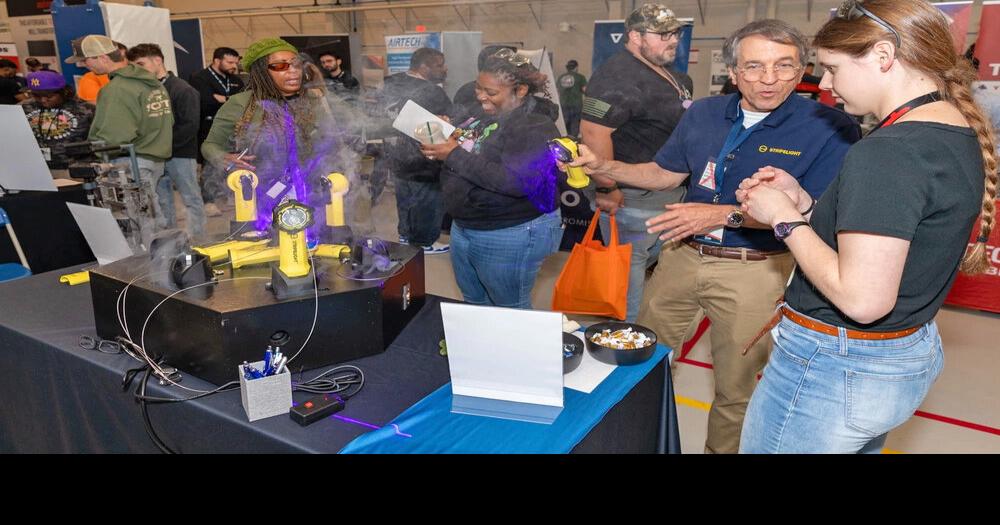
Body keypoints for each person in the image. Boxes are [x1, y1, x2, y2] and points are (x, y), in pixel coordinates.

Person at [568, 19, 860, 453]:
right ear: (734, 72)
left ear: (802, 71)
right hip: (681, 255)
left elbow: (813, 213)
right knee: (639, 364)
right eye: (754, 66)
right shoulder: (704, 112)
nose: (768, 78)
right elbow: (664, 173)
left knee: (735, 390)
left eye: (784, 66)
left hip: (756, 269)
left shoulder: (829, 127)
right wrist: (605, 167)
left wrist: (722, 215)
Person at [736, 0, 996, 454]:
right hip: (895, 356)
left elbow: (863, 300)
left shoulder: (890, 150)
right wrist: (807, 204)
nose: (826, 84)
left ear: (883, 56)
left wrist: (782, 217)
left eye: (833, 68)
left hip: (837, 367)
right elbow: (895, 231)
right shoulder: (948, 128)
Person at [420, 49, 563, 308]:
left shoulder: (534, 126)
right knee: (475, 303)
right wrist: (444, 136)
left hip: (510, 229)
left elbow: (515, 182)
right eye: (478, 88)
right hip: (467, 225)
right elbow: (472, 149)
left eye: (491, 92)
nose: (481, 96)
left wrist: (452, 154)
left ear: (520, 90)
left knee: (509, 309)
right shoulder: (483, 113)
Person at [580, 3, 693, 322]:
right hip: (631, 198)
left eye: (676, 33)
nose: (673, 40)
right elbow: (593, 134)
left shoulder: (670, 73)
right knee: (626, 286)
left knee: (655, 277)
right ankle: (623, 340)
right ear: (635, 36)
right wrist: (607, 187)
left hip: (668, 194)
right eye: (663, 34)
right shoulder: (616, 77)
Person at [201, 38, 346, 226]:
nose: (293, 71)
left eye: (296, 65)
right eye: (280, 66)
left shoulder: (314, 99)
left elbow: (340, 135)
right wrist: (222, 157)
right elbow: (210, 145)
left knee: (314, 240)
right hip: (264, 196)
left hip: (313, 194)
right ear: (261, 72)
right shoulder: (241, 104)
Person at [67, 35, 173, 236]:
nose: (84, 66)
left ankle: (154, 254)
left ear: (102, 57)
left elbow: (115, 135)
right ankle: (163, 250)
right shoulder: (152, 83)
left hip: (131, 162)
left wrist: (96, 151)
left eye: (85, 60)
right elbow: (168, 121)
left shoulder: (116, 89)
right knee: (151, 214)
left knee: (140, 221)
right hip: (155, 157)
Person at [376, 47, 452, 254]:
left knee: (405, 197)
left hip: (395, 155)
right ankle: (424, 242)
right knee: (427, 199)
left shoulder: (389, 82)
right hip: (423, 158)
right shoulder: (433, 92)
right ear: (424, 67)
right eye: (439, 65)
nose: (445, 69)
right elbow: (448, 121)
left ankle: (405, 234)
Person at [128, 43, 205, 237]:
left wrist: (163, 146)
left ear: (158, 60)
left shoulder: (182, 89)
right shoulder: (147, 90)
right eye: (134, 66)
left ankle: (199, 239)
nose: (138, 69)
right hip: (157, 156)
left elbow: (190, 125)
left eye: (141, 64)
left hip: (181, 155)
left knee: (191, 198)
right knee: (162, 201)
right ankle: (170, 241)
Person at [189, 47, 245, 217]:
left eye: (235, 62)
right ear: (216, 61)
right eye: (230, 62)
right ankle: (209, 201)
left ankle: (232, 194)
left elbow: (243, 103)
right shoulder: (199, 78)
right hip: (209, 128)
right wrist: (230, 101)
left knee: (236, 161)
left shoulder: (236, 80)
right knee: (210, 164)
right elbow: (206, 102)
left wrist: (222, 99)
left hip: (234, 129)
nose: (234, 66)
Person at [21, 70, 94, 170]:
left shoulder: (86, 109)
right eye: (36, 95)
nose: (43, 100)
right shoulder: (23, 108)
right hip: (37, 168)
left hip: (78, 168)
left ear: (64, 92)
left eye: (49, 96)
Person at [556, 59, 587, 137]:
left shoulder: (561, 77)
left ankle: (565, 140)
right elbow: (585, 90)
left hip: (563, 104)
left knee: (564, 126)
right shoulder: (580, 77)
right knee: (575, 125)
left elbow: (557, 92)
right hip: (576, 105)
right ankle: (573, 140)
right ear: (576, 67)